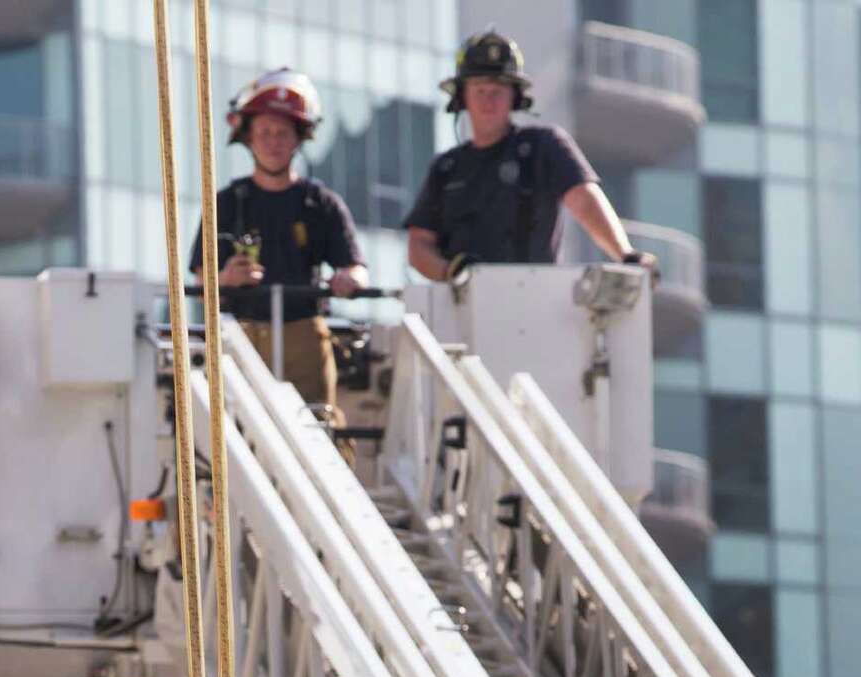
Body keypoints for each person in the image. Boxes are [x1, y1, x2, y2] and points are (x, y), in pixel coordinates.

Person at [405, 29, 654, 282]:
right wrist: (453, 273)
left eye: (498, 90)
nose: (488, 100)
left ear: (515, 96)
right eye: (480, 89)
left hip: (533, 302)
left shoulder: (544, 147)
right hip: (461, 310)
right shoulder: (445, 169)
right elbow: (418, 246)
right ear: (462, 97)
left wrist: (626, 255)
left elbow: (584, 201)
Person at [190, 68, 369, 419]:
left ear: (299, 139)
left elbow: (355, 267)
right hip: (239, 336)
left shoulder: (320, 203)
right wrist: (225, 279)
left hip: (304, 336)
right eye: (265, 133)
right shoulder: (226, 204)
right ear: (248, 138)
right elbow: (201, 282)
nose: (274, 142)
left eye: (283, 133)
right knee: (237, 431)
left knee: (316, 427)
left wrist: (350, 280)